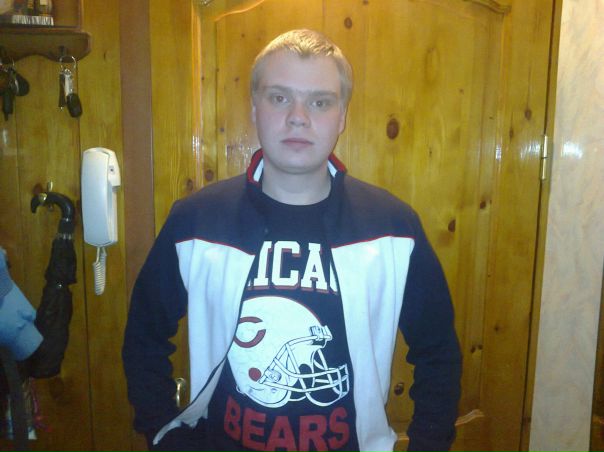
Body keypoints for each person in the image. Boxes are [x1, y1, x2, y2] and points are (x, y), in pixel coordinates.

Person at [122, 29, 461, 452]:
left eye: (320, 102)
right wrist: (164, 435)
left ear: (342, 117)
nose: (298, 116)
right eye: (280, 97)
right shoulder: (196, 222)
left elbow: (437, 352)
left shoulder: (393, 228)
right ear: (254, 109)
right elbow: (145, 337)